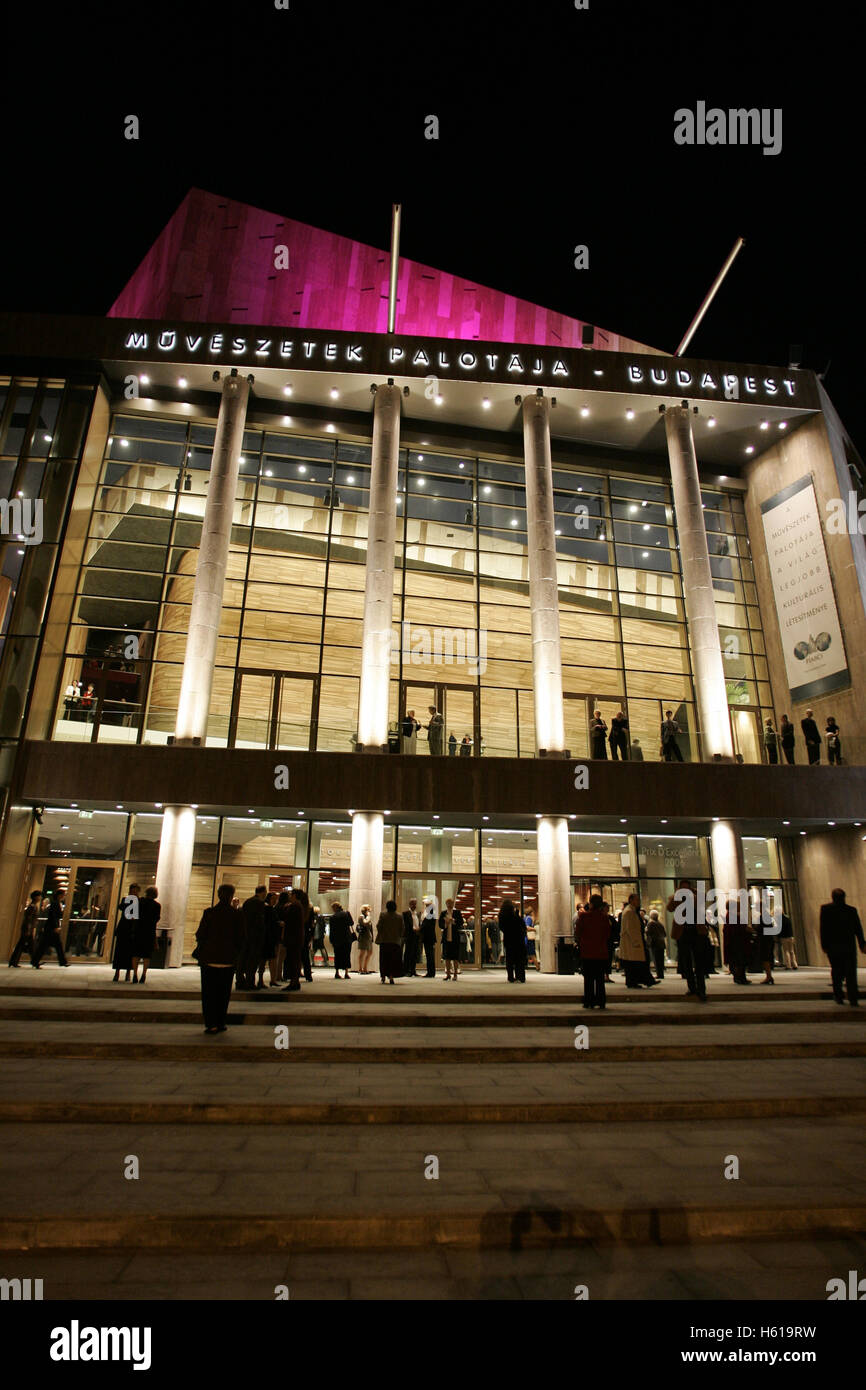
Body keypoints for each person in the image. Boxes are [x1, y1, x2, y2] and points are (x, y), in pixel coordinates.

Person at [195, 883, 244, 1034]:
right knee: (223, 993)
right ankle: (221, 1021)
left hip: (209, 959)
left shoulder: (209, 913)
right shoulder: (236, 915)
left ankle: (211, 1023)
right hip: (228, 960)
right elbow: (242, 937)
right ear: (231, 896)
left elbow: (200, 934)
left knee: (209, 993)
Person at [819, 888, 865, 1006]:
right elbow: (858, 929)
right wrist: (862, 943)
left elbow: (823, 928)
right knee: (850, 973)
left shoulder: (826, 910)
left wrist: (824, 945)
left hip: (833, 947)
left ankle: (838, 995)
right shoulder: (851, 910)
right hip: (848, 946)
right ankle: (853, 997)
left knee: (836, 971)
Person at [667, 880, 708, 1001]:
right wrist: (677, 896)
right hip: (683, 933)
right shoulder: (677, 898)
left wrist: (692, 894)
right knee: (686, 962)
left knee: (699, 962)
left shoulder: (697, 896)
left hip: (697, 932)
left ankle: (701, 989)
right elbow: (669, 908)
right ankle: (692, 987)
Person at [575, 894, 611, 1009]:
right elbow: (607, 934)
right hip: (601, 952)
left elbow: (578, 933)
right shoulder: (604, 918)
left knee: (588, 979)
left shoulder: (584, 917)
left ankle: (589, 1001)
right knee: (600, 979)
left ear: (591, 903)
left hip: (587, 952)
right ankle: (601, 1001)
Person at [619, 893, 656, 987]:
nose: (638, 902)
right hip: (632, 942)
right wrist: (635, 941)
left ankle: (640, 980)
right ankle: (634, 981)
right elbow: (630, 928)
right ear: (631, 900)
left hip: (634, 941)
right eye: (636, 900)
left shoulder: (631, 911)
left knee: (634, 963)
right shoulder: (629, 912)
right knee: (633, 963)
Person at [238, 886, 268, 990]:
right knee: (252, 960)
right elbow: (260, 921)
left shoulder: (247, 902)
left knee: (243, 959)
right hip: (255, 935)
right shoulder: (259, 903)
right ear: (263, 892)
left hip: (246, 934)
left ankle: (240, 981)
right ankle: (250, 982)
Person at [31, 892, 68, 969]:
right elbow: (53, 916)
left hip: (50, 927)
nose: (64, 896)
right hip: (51, 928)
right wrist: (55, 927)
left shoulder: (56, 903)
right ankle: (62, 962)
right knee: (50, 945)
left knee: (48, 945)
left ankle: (62, 962)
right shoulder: (55, 904)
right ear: (59, 895)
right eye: (63, 895)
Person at [111, 883, 140, 982]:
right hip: (124, 928)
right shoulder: (126, 899)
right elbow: (123, 908)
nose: (134, 892)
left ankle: (128, 973)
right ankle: (117, 972)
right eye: (133, 891)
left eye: (136, 891)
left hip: (132, 929)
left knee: (130, 953)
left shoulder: (138, 901)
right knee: (120, 952)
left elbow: (136, 915)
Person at [132, 886, 160, 983]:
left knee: (136, 953)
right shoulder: (157, 905)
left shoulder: (140, 902)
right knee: (146, 955)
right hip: (149, 931)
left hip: (138, 930)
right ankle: (144, 974)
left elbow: (134, 916)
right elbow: (156, 919)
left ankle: (135, 974)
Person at [278, 889, 304, 992]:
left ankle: (293, 982)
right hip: (297, 937)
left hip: (293, 938)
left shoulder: (294, 906)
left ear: (294, 895)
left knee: (293, 960)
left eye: (291, 894)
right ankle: (295, 982)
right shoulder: (299, 906)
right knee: (295, 960)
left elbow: (289, 921)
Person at [722, 899, 753, 986]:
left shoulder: (730, 916)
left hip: (734, 942)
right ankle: (740, 977)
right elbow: (739, 928)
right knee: (739, 960)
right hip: (737, 943)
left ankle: (739, 977)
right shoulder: (733, 916)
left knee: (737, 961)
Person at [9, 890, 42, 968]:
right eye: (39, 896)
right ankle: (34, 962)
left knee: (27, 946)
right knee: (25, 945)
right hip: (27, 929)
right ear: (35, 897)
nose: (40, 898)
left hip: (27, 928)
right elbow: (28, 919)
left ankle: (14, 961)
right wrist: (29, 929)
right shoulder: (32, 906)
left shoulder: (33, 906)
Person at [375, 899, 404, 983]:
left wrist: (382, 933)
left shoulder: (383, 915)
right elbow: (402, 928)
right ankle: (391, 976)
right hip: (395, 941)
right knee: (393, 960)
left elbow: (378, 926)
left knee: (384, 959)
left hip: (385, 941)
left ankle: (383, 976)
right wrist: (399, 936)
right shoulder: (399, 916)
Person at [500, 897, 526, 983]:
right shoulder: (514, 915)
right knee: (519, 959)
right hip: (518, 939)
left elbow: (502, 927)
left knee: (510, 959)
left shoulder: (501, 915)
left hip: (508, 939)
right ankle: (520, 976)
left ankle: (510, 977)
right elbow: (521, 925)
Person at [439, 897, 464, 980]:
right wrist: (445, 923)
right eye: (448, 903)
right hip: (446, 937)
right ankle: (448, 974)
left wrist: (453, 921)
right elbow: (440, 924)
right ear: (446, 904)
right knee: (447, 957)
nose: (449, 905)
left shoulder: (457, 912)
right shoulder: (443, 913)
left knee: (455, 957)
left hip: (455, 937)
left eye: (451, 903)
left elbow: (461, 923)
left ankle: (455, 974)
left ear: (453, 904)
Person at [328, 901, 354, 979]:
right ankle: (346, 972)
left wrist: (331, 939)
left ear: (335, 908)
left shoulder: (332, 917)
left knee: (337, 955)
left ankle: (337, 972)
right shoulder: (347, 913)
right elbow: (351, 923)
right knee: (346, 955)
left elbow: (331, 929)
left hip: (337, 939)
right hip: (346, 937)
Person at [263, 891, 283, 985]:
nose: (275, 900)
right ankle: (270, 979)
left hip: (273, 937)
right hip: (270, 937)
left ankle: (273, 979)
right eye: (273, 899)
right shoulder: (268, 909)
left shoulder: (272, 909)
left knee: (273, 959)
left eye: (276, 899)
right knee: (270, 959)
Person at [402, 897, 420, 976]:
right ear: (409, 904)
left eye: (415, 903)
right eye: (412, 903)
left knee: (415, 954)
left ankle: (413, 970)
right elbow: (405, 925)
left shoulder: (417, 914)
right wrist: (413, 929)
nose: (414, 905)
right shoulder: (405, 913)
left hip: (416, 936)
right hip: (409, 936)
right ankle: (406, 971)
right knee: (408, 953)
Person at [420, 895, 438, 977]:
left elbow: (426, 925)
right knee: (429, 955)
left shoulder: (430, 914)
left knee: (429, 955)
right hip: (429, 937)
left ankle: (430, 972)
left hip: (428, 937)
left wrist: (419, 929)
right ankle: (430, 972)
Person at [646, 909, 666, 980]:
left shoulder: (650, 923)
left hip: (655, 943)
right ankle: (661, 973)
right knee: (661, 959)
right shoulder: (660, 924)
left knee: (656, 959)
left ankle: (659, 974)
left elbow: (648, 933)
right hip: (661, 943)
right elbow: (664, 934)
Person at [356, 903, 374, 974]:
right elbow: (365, 923)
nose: (369, 911)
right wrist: (369, 917)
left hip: (368, 937)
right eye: (368, 910)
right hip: (363, 937)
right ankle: (360, 968)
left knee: (370, 952)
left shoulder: (366, 916)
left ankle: (365, 967)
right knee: (362, 953)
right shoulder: (361, 916)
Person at [310, 903, 328, 967]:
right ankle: (325, 960)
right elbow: (324, 926)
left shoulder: (313, 918)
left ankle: (312, 961)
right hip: (320, 935)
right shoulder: (321, 918)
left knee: (314, 949)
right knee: (321, 947)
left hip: (315, 936)